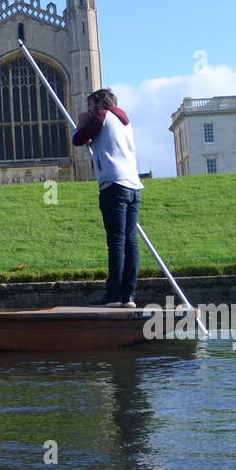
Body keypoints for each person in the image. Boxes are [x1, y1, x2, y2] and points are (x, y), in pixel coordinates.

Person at [71, 88, 143, 307]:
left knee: (116, 243)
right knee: (131, 242)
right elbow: (107, 144)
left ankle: (112, 296)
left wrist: (83, 122)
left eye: (90, 105)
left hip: (113, 185)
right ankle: (128, 296)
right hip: (133, 186)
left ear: (99, 104)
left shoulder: (102, 116)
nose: (89, 110)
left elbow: (77, 140)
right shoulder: (124, 121)